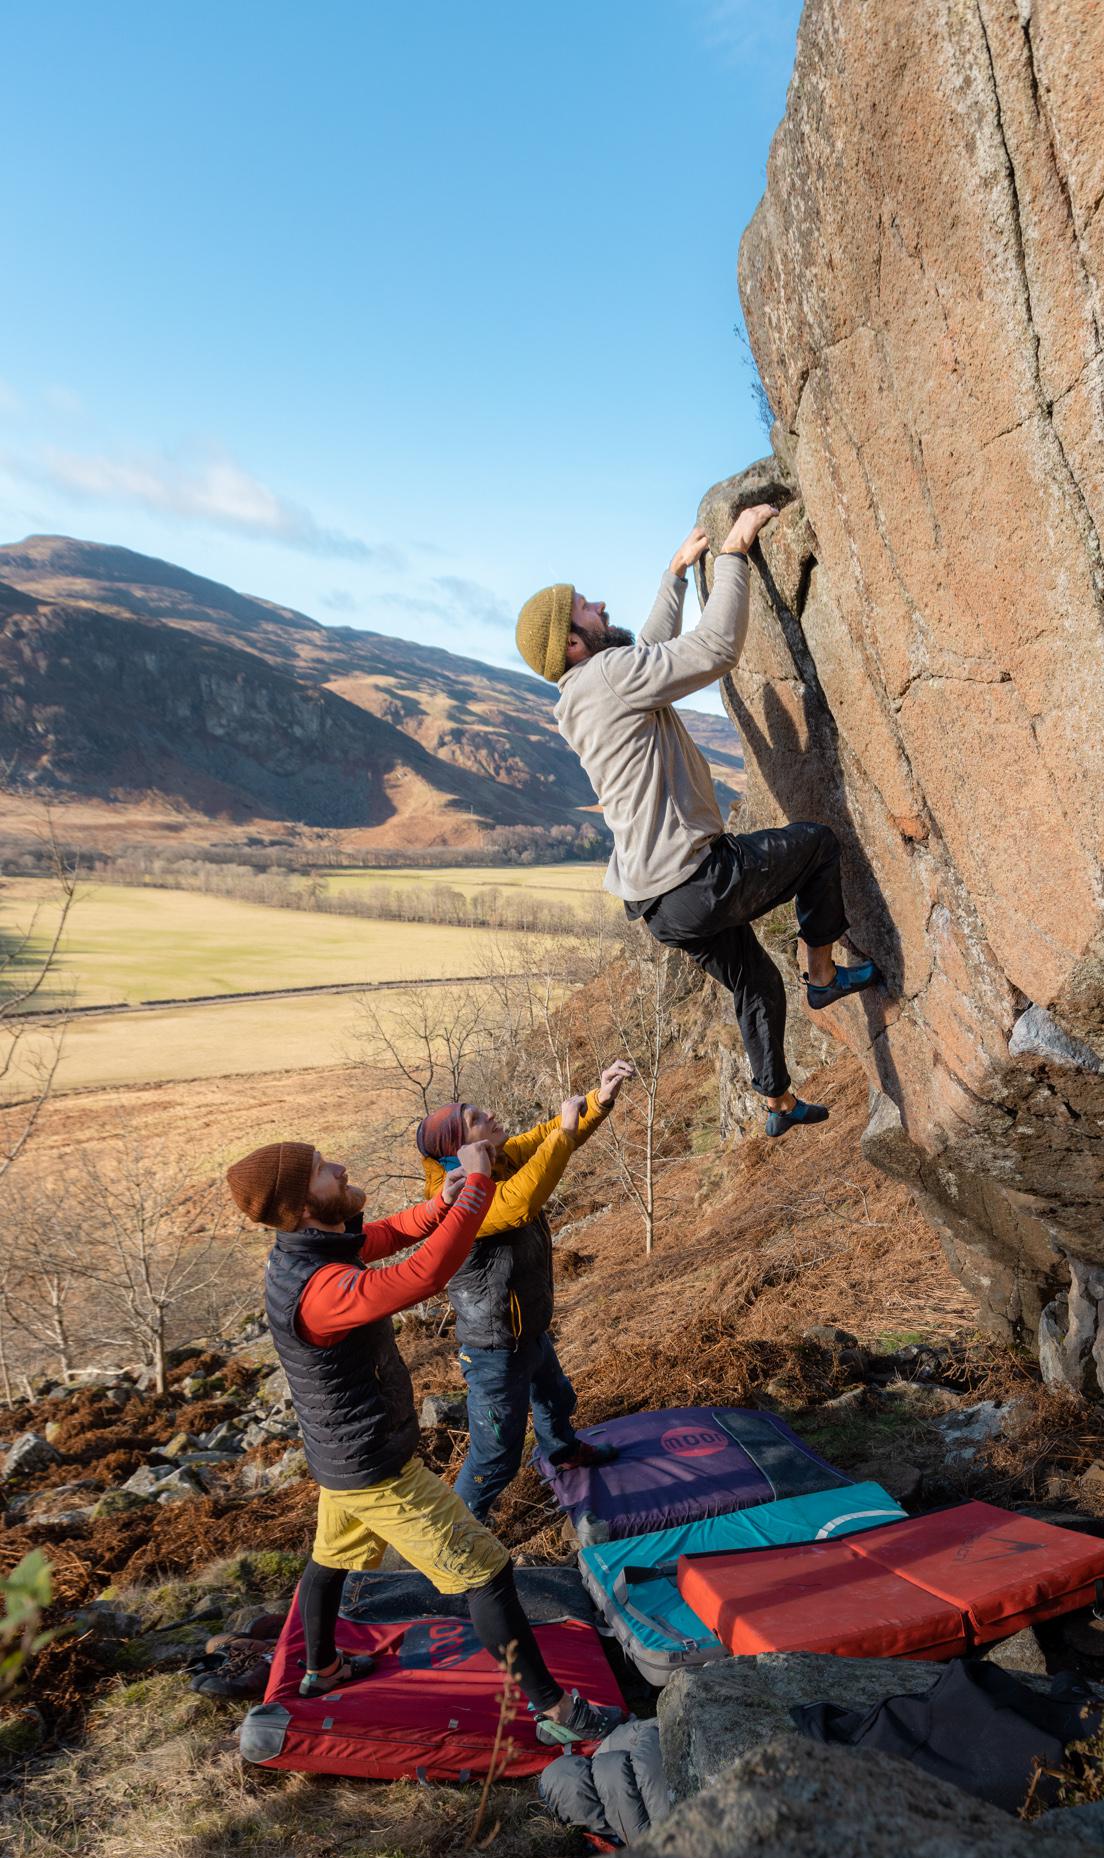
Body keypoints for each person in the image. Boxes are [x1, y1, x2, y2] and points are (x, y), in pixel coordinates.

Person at [224, 1134, 624, 1745]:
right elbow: (425, 1273)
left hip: (341, 1456)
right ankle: (558, 1715)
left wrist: (446, 1202)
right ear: (302, 1205)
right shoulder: (320, 1290)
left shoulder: (310, 1246)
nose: (339, 1166)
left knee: (331, 1558)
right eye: (322, 1171)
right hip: (374, 1470)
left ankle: (322, 1668)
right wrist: (479, 1188)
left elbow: (385, 1236)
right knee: (486, 1570)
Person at [515, 504, 881, 1138]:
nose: (599, 604)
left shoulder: (580, 693)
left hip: (657, 907)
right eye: (585, 606)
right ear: (574, 641)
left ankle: (778, 1102)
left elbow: (646, 652)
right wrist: (734, 554)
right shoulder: (606, 676)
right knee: (819, 846)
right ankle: (822, 974)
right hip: (696, 880)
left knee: (756, 979)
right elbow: (713, 650)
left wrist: (676, 575)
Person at [415, 1060, 634, 1521]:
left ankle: (564, 1453)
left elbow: (545, 1135)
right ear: (460, 1148)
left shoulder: (496, 1159)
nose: (490, 1115)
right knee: (494, 1458)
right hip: (494, 1350)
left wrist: (599, 1099)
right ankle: (459, 1535)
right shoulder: (460, 1200)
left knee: (556, 1402)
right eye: (477, 1119)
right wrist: (563, 1135)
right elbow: (518, 1204)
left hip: (528, 1328)